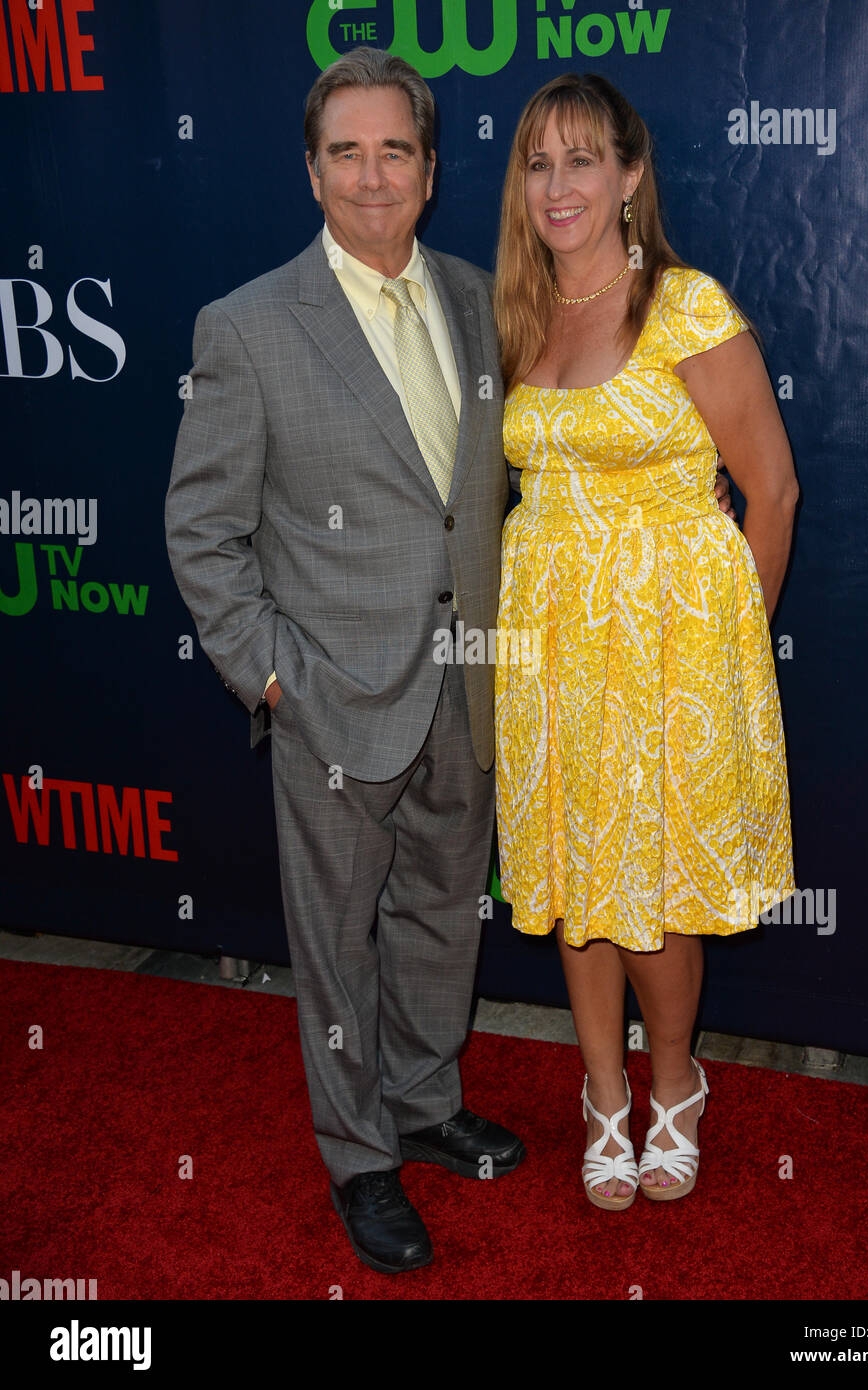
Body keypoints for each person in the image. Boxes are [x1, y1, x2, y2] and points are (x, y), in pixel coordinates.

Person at [165, 47, 525, 1274]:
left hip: (467, 684)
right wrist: (271, 676)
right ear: (311, 170)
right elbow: (202, 532)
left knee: (439, 919)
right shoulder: (250, 325)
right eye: (346, 152)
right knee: (336, 943)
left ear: (431, 170)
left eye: (396, 152)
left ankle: (425, 1103)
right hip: (331, 701)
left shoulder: (482, 299)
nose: (373, 177)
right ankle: (360, 1155)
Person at [493, 74, 797, 1210]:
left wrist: (724, 659)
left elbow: (771, 491)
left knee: (654, 893)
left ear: (629, 177)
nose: (558, 185)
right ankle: (600, 1096)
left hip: (668, 664)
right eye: (537, 163)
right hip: (547, 653)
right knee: (576, 880)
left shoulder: (687, 306)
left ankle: (675, 1087)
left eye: (582, 161)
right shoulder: (519, 313)